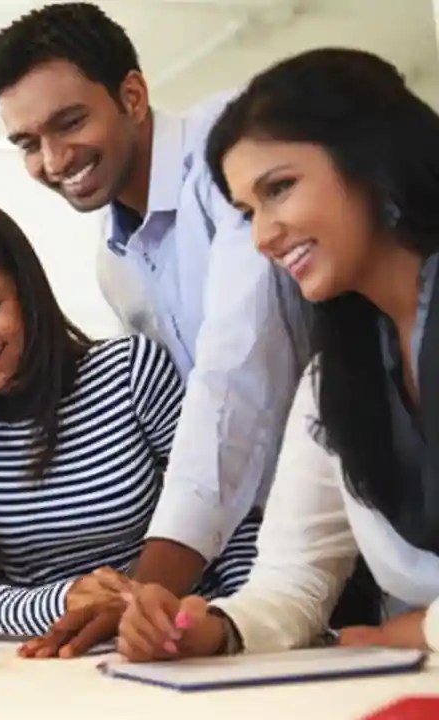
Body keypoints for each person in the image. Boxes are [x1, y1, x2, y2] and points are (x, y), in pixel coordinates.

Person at [0, 1, 308, 655]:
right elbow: (184, 429)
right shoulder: (114, 260)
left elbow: (235, 378)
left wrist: (146, 591)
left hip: (347, 503)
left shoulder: (227, 149)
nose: (54, 158)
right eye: (27, 143)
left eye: (70, 122)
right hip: (263, 553)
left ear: (132, 94)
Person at [118, 48, 439, 662]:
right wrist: (203, 627)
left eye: (280, 188)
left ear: (373, 160)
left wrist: (421, 631)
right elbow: (293, 581)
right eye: (247, 211)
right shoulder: (336, 380)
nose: (263, 236)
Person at [0, 200, 254, 643]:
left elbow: (229, 518)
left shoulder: (131, 374)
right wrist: (67, 600)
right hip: (48, 657)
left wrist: (235, 625)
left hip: (175, 634)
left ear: (27, 295)